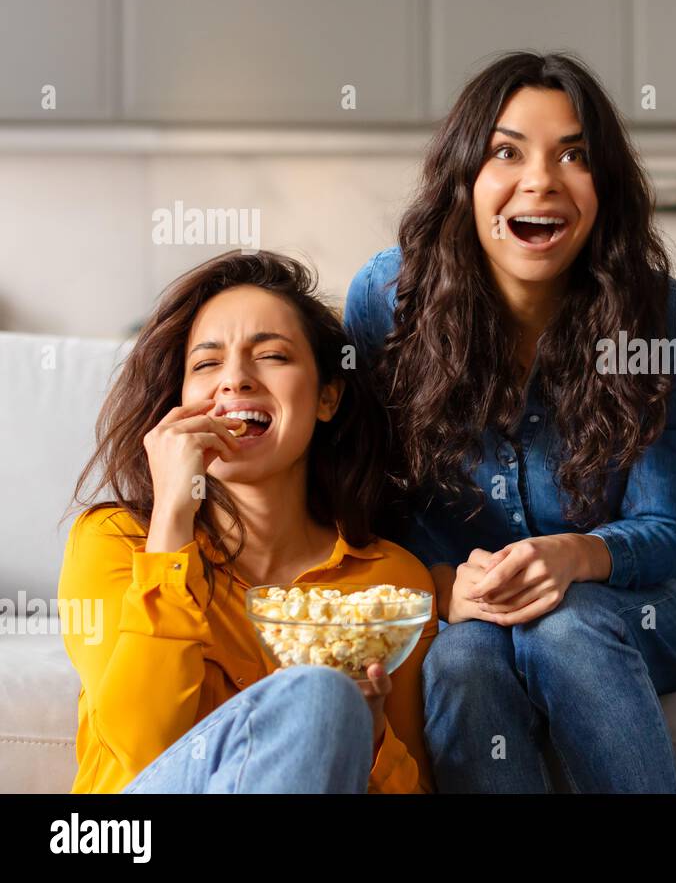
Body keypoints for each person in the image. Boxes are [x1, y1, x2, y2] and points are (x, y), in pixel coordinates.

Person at [345, 51, 676, 792]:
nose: (541, 180)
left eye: (573, 155)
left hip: (643, 602)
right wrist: (443, 586)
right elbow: (365, 501)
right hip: (465, 610)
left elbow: (670, 529)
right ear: (464, 179)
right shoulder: (387, 302)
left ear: (604, 187)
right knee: (461, 656)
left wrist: (574, 557)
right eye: (506, 152)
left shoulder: (665, 319)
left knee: (566, 625)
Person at [61, 250, 436, 793]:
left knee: (325, 700)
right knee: (319, 692)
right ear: (181, 401)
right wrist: (172, 515)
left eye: (272, 356)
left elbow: (414, 786)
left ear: (327, 396)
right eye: (206, 364)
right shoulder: (112, 542)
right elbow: (142, 748)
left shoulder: (392, 583)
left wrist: (371, 736)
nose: (234, 380)